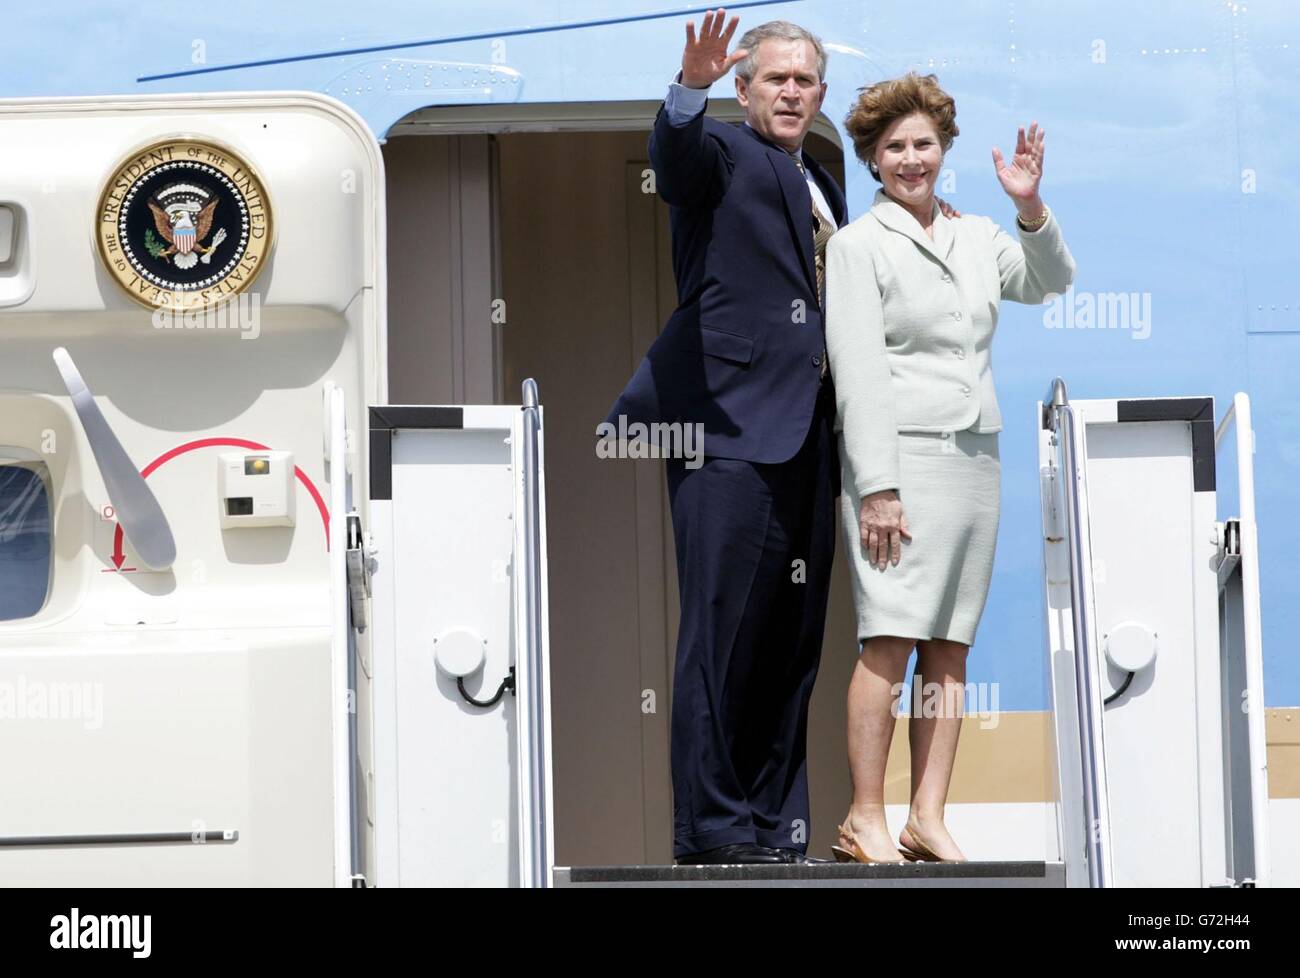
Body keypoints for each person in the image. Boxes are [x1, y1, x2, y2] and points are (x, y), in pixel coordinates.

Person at [602, 11, 847, 865]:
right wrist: (687, 92)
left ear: (822, 94)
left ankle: (777, 828)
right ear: (744, 91)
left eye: (803, 80)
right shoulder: (722, 152)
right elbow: (677, 163)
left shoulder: (822, 175)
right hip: (727, 432)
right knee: (721, 636)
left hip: (810, 437)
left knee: (791, 644)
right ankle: (713, 832)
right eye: (773, 78)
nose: (790, 91)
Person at [823, 72, 1075, 863]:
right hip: (902, 464)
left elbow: (1049, 281)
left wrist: (1029, 207)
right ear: (871, 159)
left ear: (944, 149)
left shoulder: (975, 235)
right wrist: (877, 487)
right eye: (893, 147)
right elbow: (857, 370)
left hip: (974, 461)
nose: (910, 158)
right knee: (889, 638)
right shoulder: (859, 246)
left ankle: (927, 816)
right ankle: (866, 813)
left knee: (950, 647)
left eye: (923, 144)